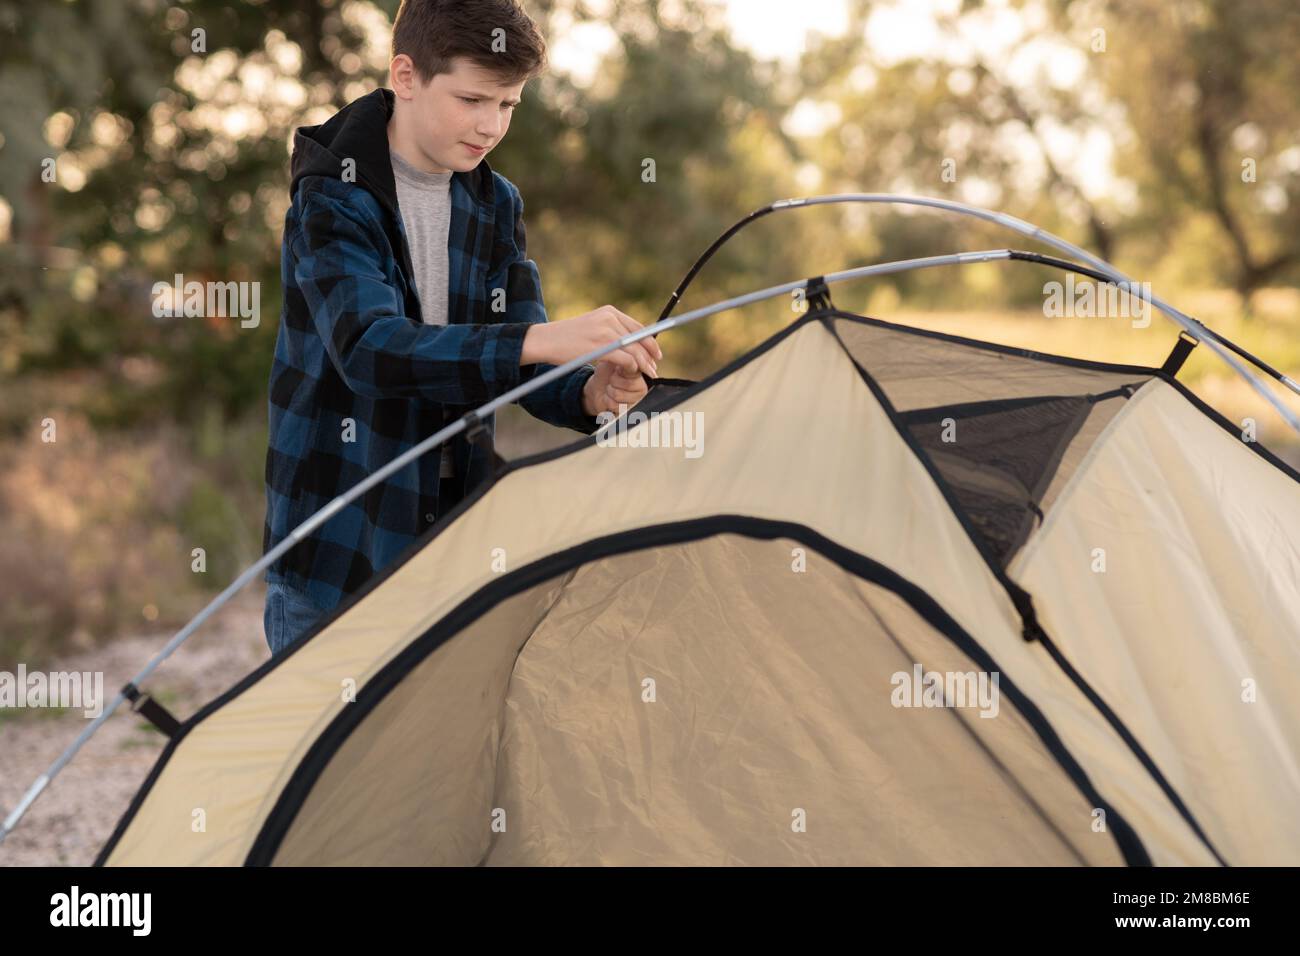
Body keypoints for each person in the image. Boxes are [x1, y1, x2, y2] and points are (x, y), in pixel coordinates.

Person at [262, 0, 661, 656]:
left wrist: (590, 394)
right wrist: (544, 340)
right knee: (339, 760)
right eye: (473, 99)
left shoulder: (496, 203)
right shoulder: (333, 196)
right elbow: (370, 350)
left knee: (436, 759)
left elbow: (516, 366)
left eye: (508, 106)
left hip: (454, 545)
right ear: (407, 76)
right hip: (341, 550)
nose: (489, 126)